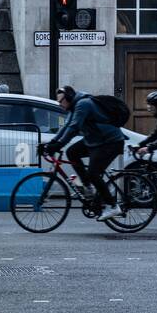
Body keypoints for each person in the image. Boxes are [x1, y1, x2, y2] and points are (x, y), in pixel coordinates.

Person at [41, 87, 125, 223]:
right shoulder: (74, 106)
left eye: (61, 101)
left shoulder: (83, 104)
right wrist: (52, 143)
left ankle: (112, 205)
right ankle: (88, 187)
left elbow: (74, 128)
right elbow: (66, 126)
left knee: (93, 173)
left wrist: (58, 145)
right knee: (72, 152)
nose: (60, 105)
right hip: (95, 140)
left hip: (110, 141)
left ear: (68, 98)